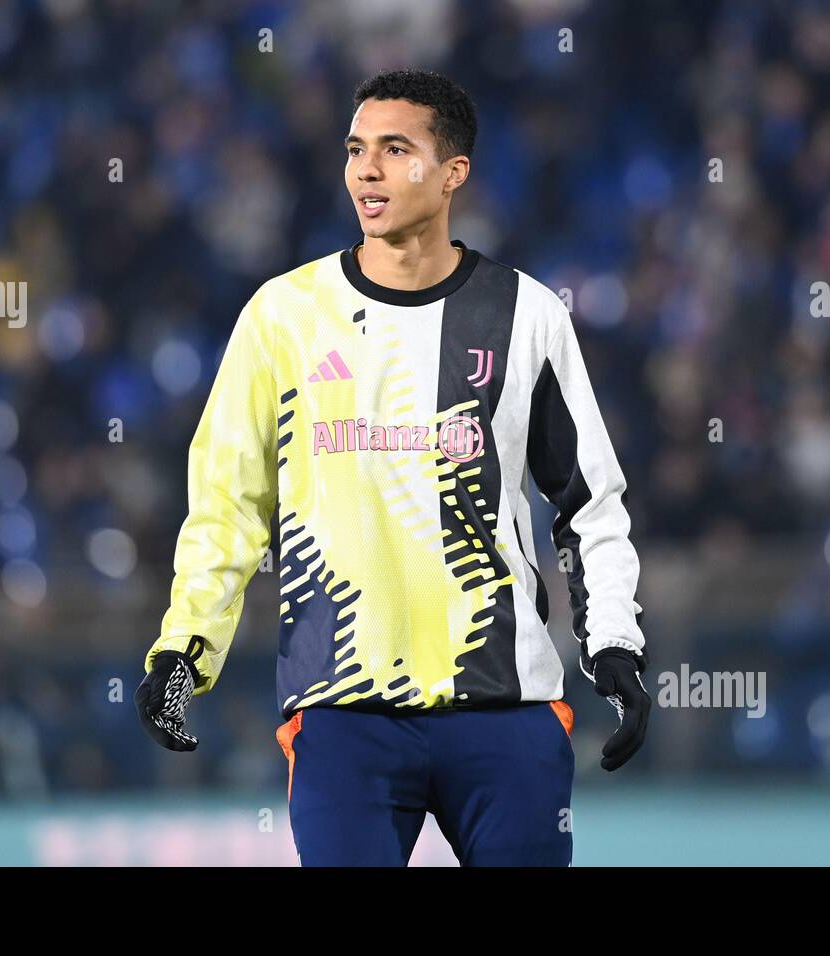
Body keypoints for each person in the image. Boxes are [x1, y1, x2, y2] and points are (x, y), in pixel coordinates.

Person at [135, 69, 651, 866]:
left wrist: (613, 642)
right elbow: (228, 504)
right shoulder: (283, 316)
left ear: (453, 173)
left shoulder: (528, 315)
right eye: (354, 150)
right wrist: (185, 648)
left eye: (394, 149)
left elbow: (589, 503)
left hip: (504, 707)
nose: (365, 171)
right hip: (344, 713)